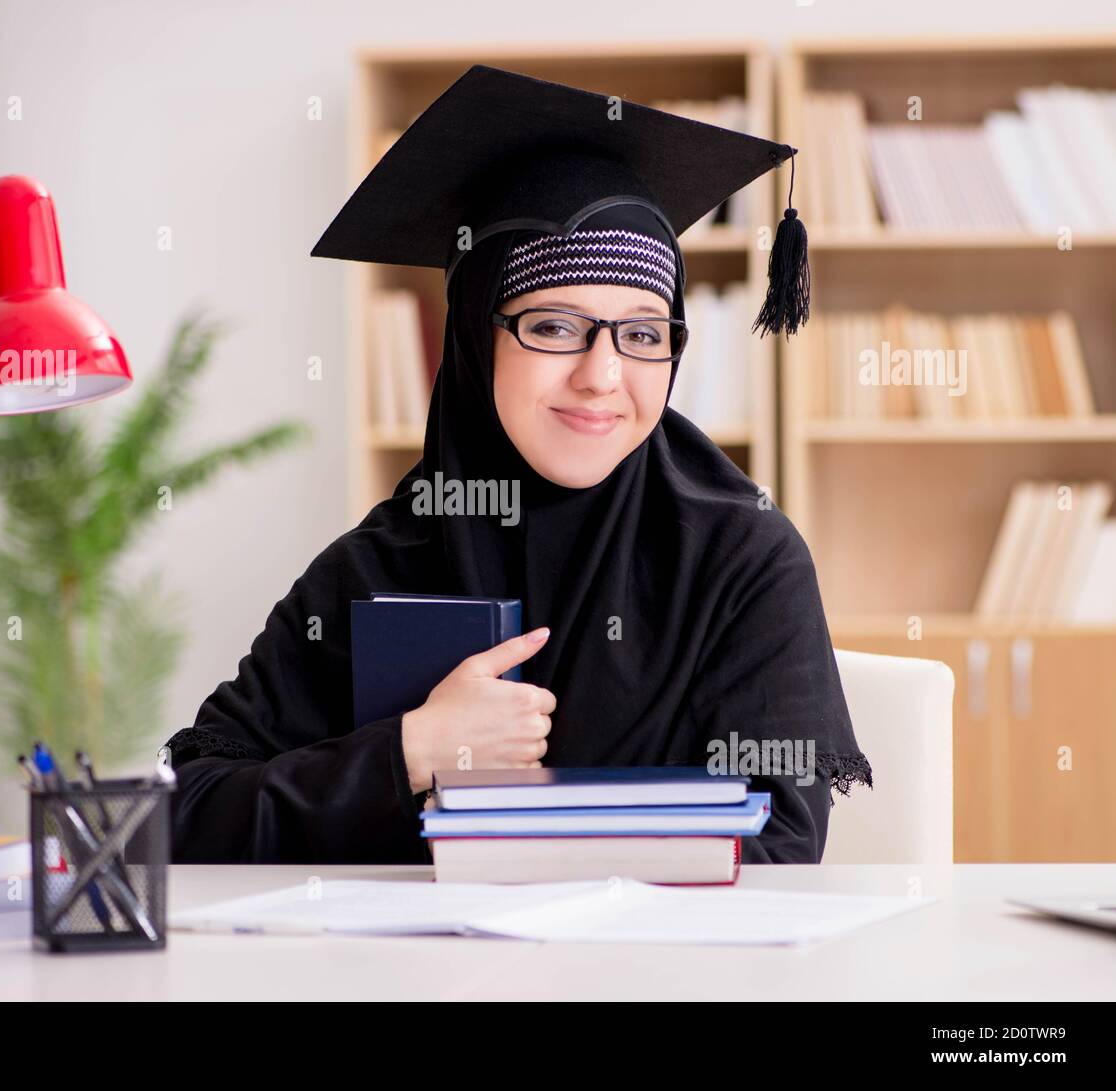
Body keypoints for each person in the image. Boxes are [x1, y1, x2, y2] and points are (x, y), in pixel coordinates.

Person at [164, 66, 870, 864]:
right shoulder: (380, 565)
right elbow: (183, 809)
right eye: (555, 325)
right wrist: (409, 753)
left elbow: (777, 850)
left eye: (643, 334)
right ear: (472, 335)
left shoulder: (739, 556)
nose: (603, 375)